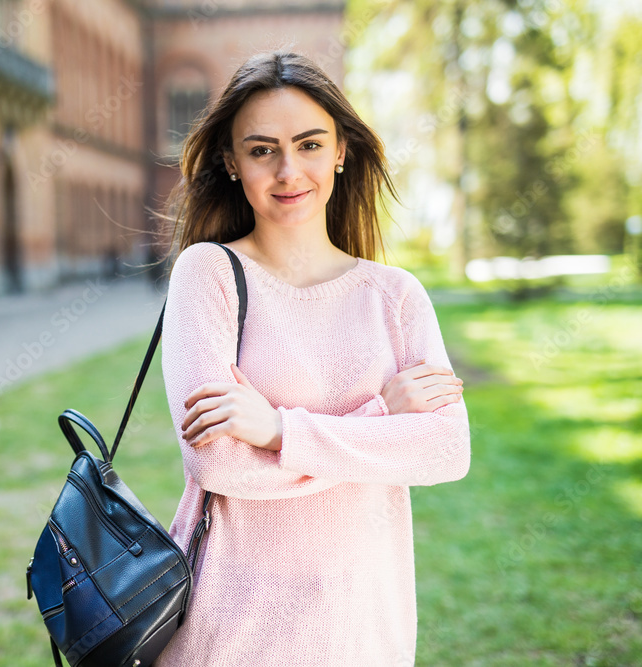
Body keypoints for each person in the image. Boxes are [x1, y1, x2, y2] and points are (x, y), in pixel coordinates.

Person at [153, 50, 471, 666]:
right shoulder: (208, 274)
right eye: (262, 149)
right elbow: (219, 464)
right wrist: (383, 419)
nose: (288, 170)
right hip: (233, 631)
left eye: (309, 144)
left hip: (362, 629)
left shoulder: (396, 295)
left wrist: (276, 429)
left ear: (341, 152)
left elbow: (445, 449)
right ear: (231, 162)